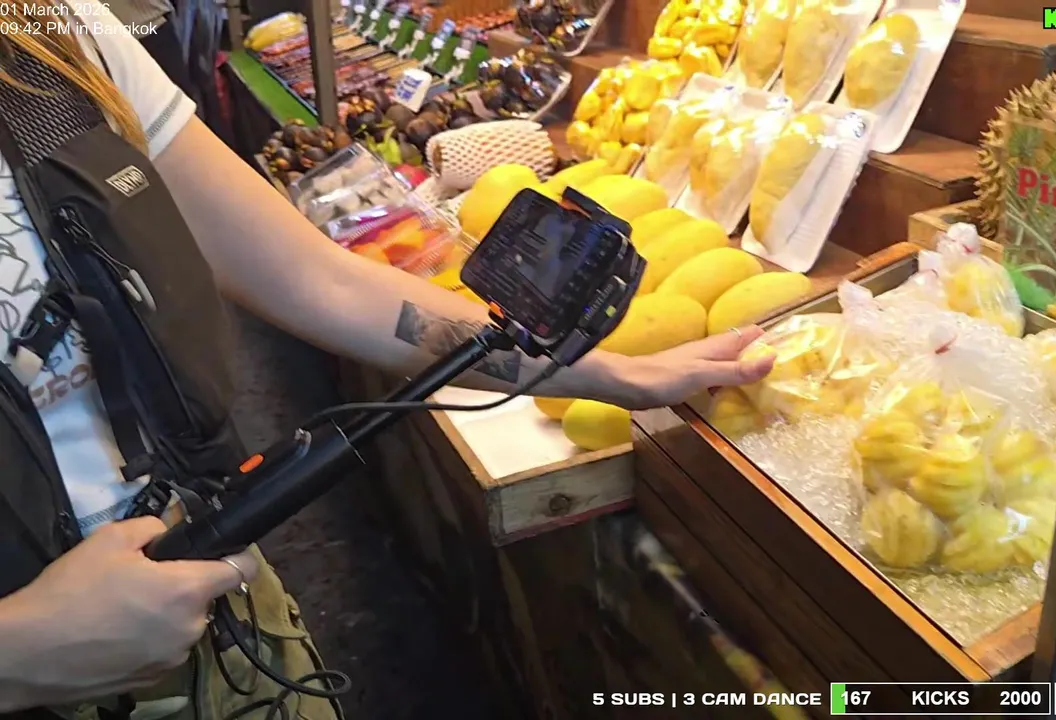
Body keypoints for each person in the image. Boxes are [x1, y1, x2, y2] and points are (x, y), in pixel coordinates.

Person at [0, 2, 775, 719]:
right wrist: (22, 651)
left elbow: (321, 279)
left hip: (207, 595)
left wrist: (602, 371)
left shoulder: (52, 35)